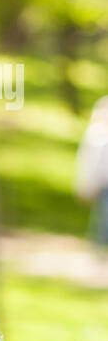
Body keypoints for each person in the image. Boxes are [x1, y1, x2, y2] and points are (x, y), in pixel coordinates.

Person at [75, 96, 108, 248]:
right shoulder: (97, 135)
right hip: (102, 183)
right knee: (103, 217)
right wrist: (86, 184)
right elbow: (89, 162)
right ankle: (99, 247)